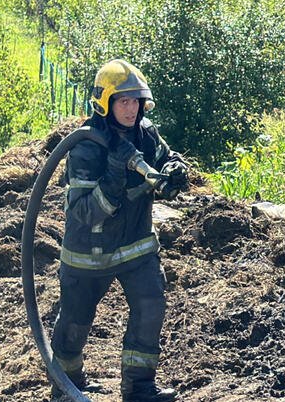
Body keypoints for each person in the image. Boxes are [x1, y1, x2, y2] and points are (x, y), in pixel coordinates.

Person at [50, 59, 190, 402]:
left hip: (136, 247)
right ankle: (68, 387)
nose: (131, 109)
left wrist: (174, 170)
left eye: (136, 101)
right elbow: (84, 212)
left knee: (151, 305)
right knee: (75, 323)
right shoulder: (85, 145)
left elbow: (164, 157)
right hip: (89, 253)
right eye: (123, 101)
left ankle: (139, 390)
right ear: (105, 103)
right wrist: (113, 174)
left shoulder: (145, 133)